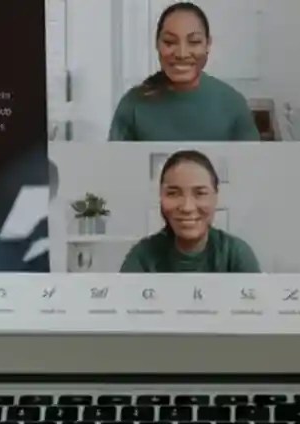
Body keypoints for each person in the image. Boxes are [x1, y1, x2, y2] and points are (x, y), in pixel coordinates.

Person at [108, 3, 260, 142]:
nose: (182, 53)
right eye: (169, 42)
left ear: (208, 44)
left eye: (194, 42)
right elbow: (115, 167)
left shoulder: (233, 104)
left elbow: (251, 167)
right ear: (157, 44)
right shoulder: (133, 105)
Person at [120, 150, 261, 273]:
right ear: (160, 196)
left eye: (200, 193)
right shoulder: (142, 256)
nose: (187, 207)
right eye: (173, 193)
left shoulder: (235, 254)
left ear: (215, 197)